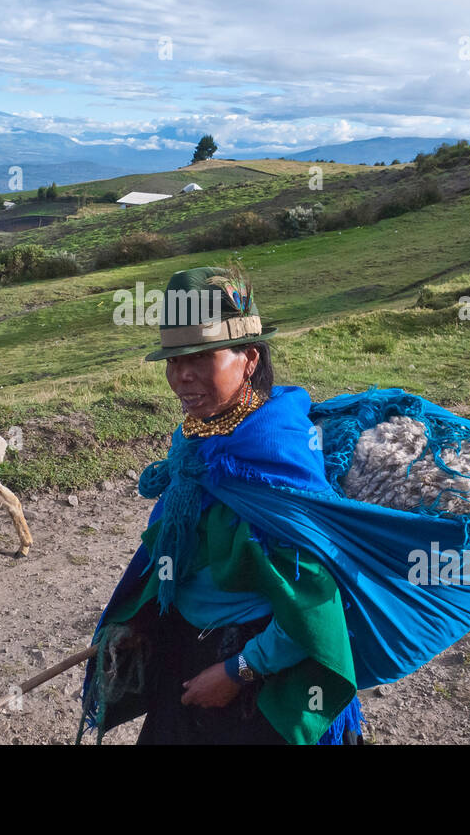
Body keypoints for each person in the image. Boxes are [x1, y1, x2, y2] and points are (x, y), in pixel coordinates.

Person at [78, 264, 364, 745]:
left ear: (248, 358)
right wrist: (142, 621)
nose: (182, 376)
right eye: (173, 361)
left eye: (203, 357)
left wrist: (238, 671)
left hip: (258, 664)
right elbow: (176, 550)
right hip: (188, 651)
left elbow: (315, 597)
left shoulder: (275, 451)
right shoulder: (194, 439)